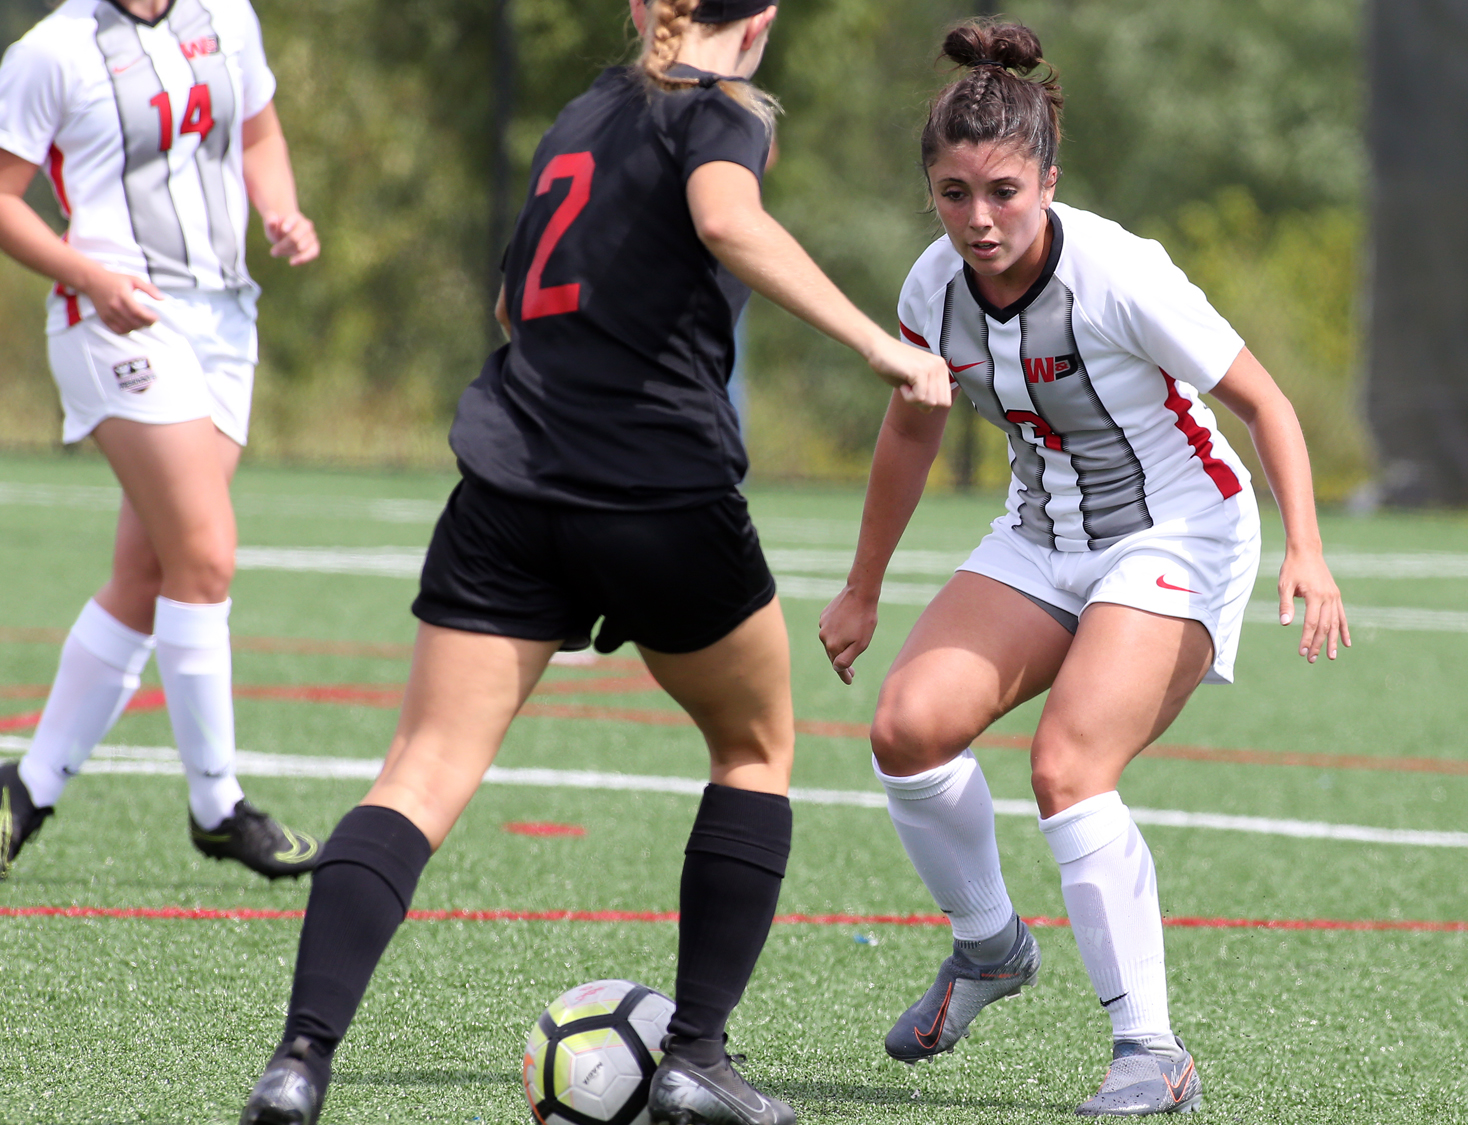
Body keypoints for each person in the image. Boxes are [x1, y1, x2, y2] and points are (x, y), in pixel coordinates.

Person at [236, 2, 951, 1123]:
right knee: (756, 747)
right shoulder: (718, 116)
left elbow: (510, 292)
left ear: (638, 10)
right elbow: (725, 222)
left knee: (417, 774)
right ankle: (697, 1062)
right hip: (658, 493)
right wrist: (877, 344)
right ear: (758, 19)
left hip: (512, 481)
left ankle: (299, 1060)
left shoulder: (581, 113)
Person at [816, 19, 1351, 1118]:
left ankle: (1151, 1052)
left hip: (1179, 534)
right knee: (906, 730)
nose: (979, 217)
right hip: (1041, 536)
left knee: (1066, 766)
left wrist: (1307, 546)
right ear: (930, 191)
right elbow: (911, 432)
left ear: (1048, 180)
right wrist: (863, 585)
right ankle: (987, 949)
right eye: (954, 192)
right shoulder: (933, 289)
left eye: (1003, 191)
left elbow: (1263, 402)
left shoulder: (1117, 274)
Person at [0, 0, 322, 881]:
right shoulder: (54, 51)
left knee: (152, 574)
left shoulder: (229, 15)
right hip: (116, 323)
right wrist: (90, 276)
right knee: (206, 554)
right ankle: (218, 805)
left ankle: (24, 791)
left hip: (225, 322)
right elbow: (2, 198)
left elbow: (259, 133)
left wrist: (282, 211)